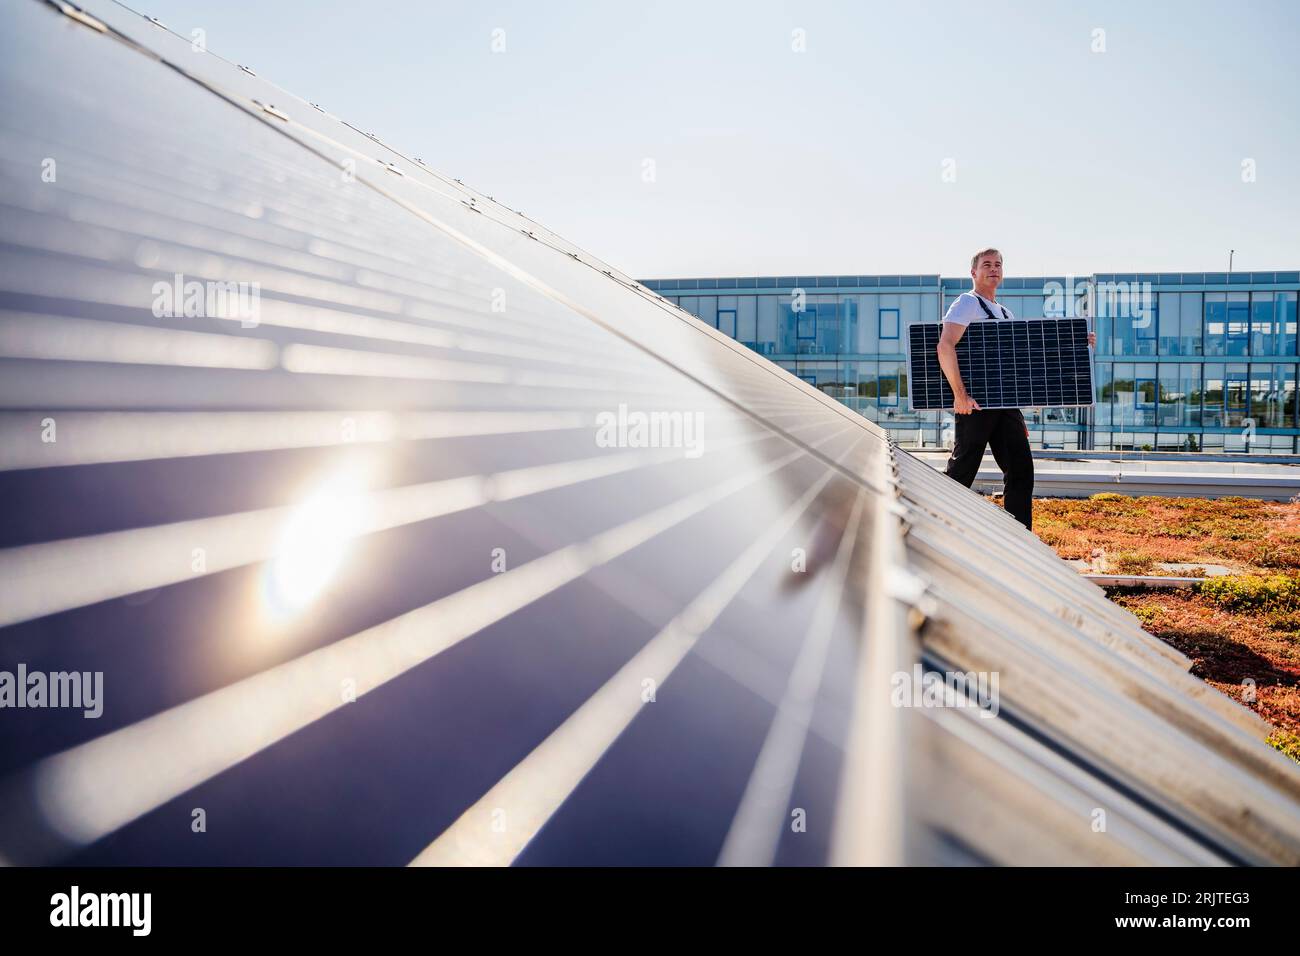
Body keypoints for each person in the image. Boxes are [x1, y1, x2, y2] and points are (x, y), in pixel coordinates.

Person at [936, 248, 1095, 530]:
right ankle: (935, 527)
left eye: (998, 264)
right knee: (962, 471)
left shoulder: (1005, 313)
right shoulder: (966, 303)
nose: (993, 269)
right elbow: (945, 345)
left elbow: (1022, 357)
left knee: (1021, 469)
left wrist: (1075, 340)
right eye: (987, 264)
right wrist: (960, 395)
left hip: (1006, 405)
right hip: (976, 404)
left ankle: (1021, 535)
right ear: (974, 272)